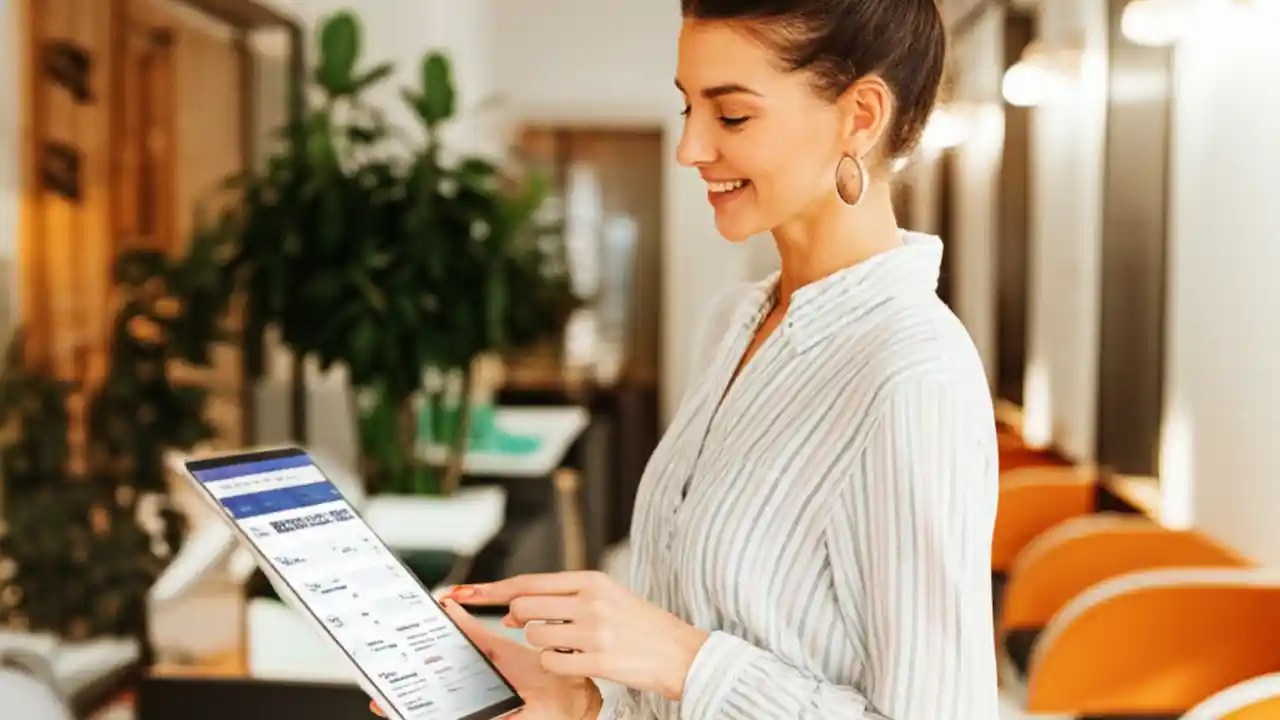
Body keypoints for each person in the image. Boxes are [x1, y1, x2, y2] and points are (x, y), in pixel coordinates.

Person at [377, 0, 998, 717]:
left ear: (859, 117)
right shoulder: (735, 325)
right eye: (688, 111)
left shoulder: (914, 373)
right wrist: (588, 702)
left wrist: (681, 657)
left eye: (731, 116)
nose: (690, 149)